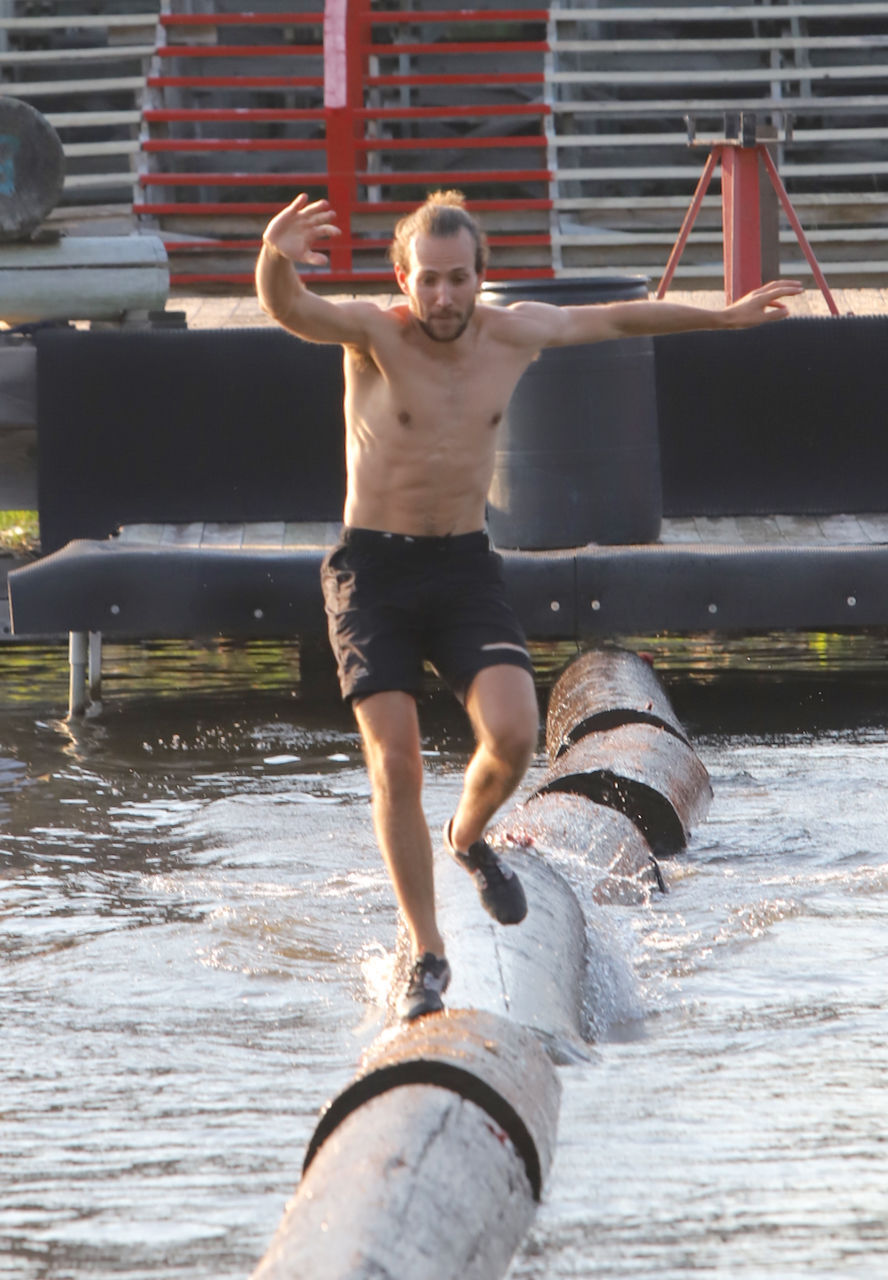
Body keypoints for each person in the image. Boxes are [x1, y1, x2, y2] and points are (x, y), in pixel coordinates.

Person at [255, 189, 803, 1020]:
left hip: (464, 569)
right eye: (428, 281)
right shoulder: (374, 335)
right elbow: (290, 307)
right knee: (396, 758)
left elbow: (620, 320)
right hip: (374, 573)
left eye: (459, 280)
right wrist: (273, 253)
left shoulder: (513, 334)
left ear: (483, 279)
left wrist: (723, 317)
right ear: (404, 279)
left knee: (512, 736)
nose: (443, 298)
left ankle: (469, 837)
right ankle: (430, 954)